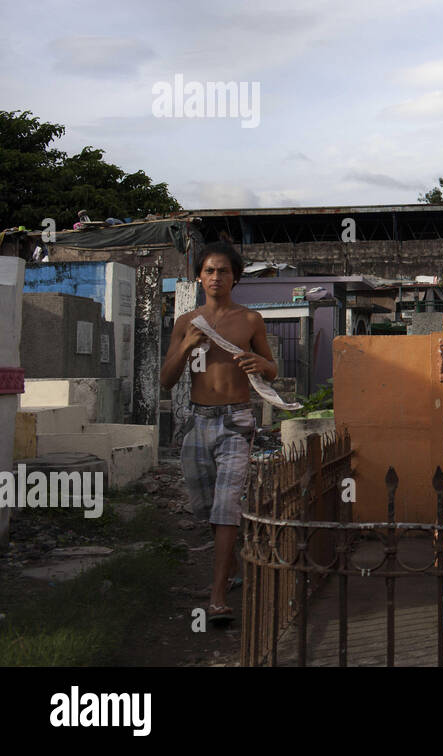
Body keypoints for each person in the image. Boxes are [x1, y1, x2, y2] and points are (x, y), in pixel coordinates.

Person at [160, 241, 278, 626]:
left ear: (235, 278)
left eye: (223, 271)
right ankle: (232, 562)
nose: (215, 277)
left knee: (227, 505)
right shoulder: (186, 323)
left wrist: (261, 362)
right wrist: (187, 346)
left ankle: (217, 598)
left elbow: (272, 370)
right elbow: (166, 380)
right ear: (199, 276)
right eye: (209, 271)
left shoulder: (250, 320)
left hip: (236, 422)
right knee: (209, 507)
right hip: (198, 421)